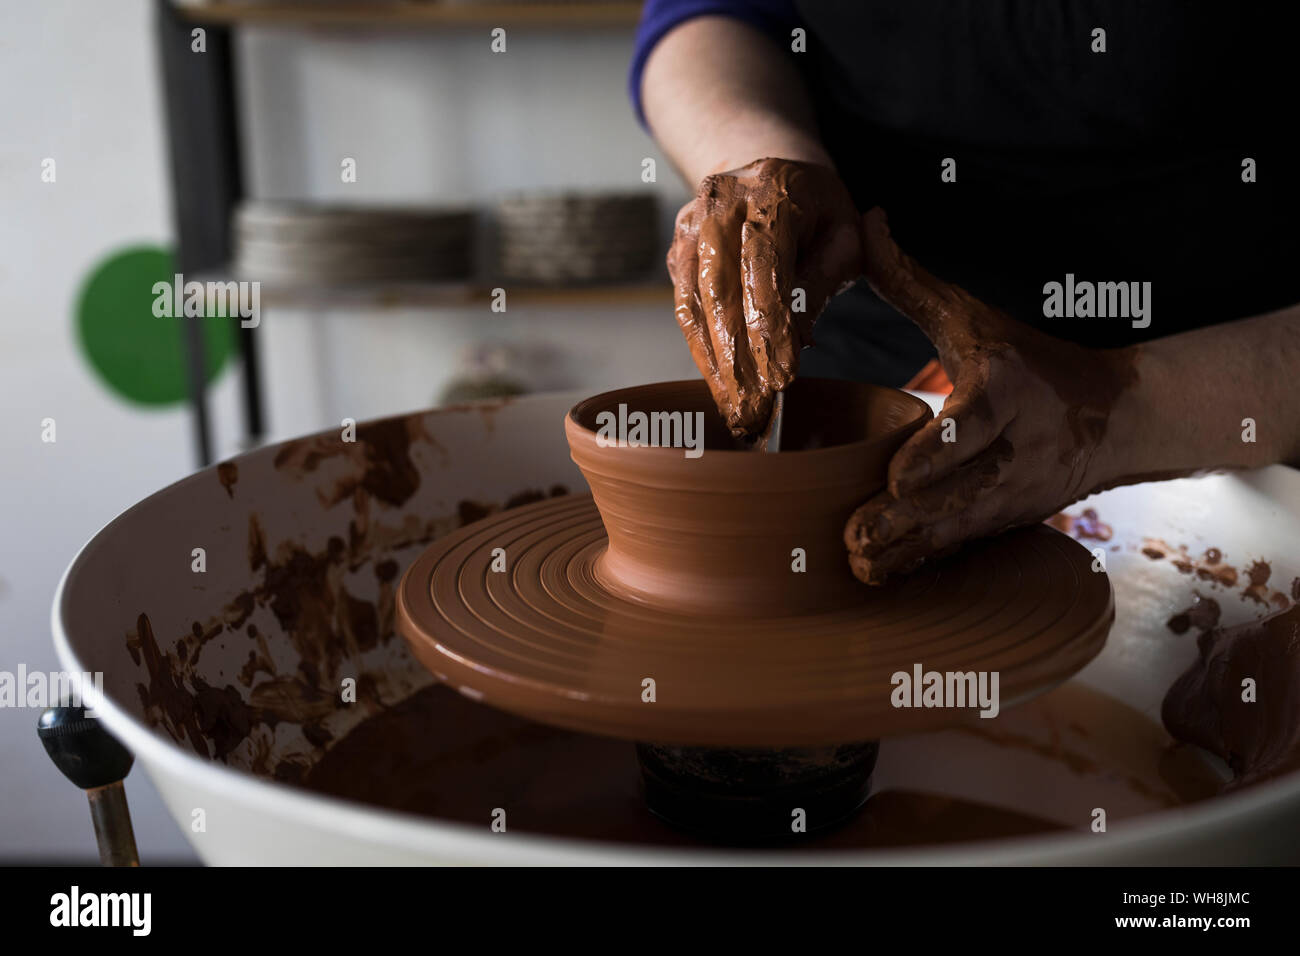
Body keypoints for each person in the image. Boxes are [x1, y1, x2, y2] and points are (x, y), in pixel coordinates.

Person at [630, 1, 1300, 582]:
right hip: (866, 375)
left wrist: (1120, 408)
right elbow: (718, 11)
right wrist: (756, 164)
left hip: (1226, 404)